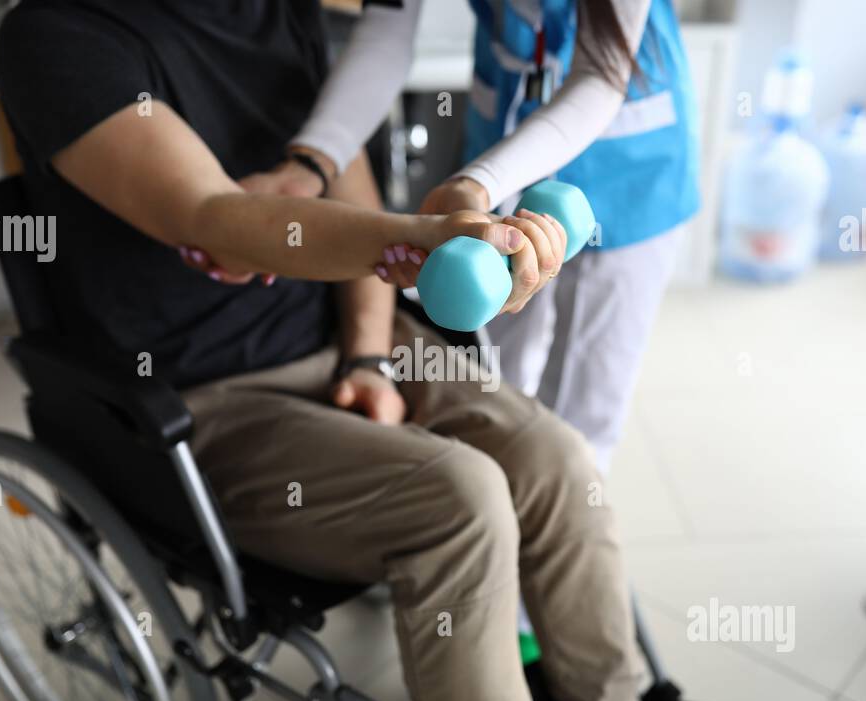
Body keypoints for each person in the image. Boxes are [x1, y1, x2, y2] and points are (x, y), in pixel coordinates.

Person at [0, 0, 651, 701]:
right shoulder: (57, 35)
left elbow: (344, 181)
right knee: (463, 501)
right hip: (199, 399)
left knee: (553, 457)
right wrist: (422, 240)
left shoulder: (278, 14)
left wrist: (370, 354)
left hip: (347, 339)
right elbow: (214, 219)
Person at [240, 0, 700, 471]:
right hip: (497, 172)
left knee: (584, 409)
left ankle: (566, 523)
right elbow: (385, 34)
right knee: (497, 387)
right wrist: (311, 161)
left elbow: (598, 77)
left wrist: (476, 183)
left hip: (628, 177)